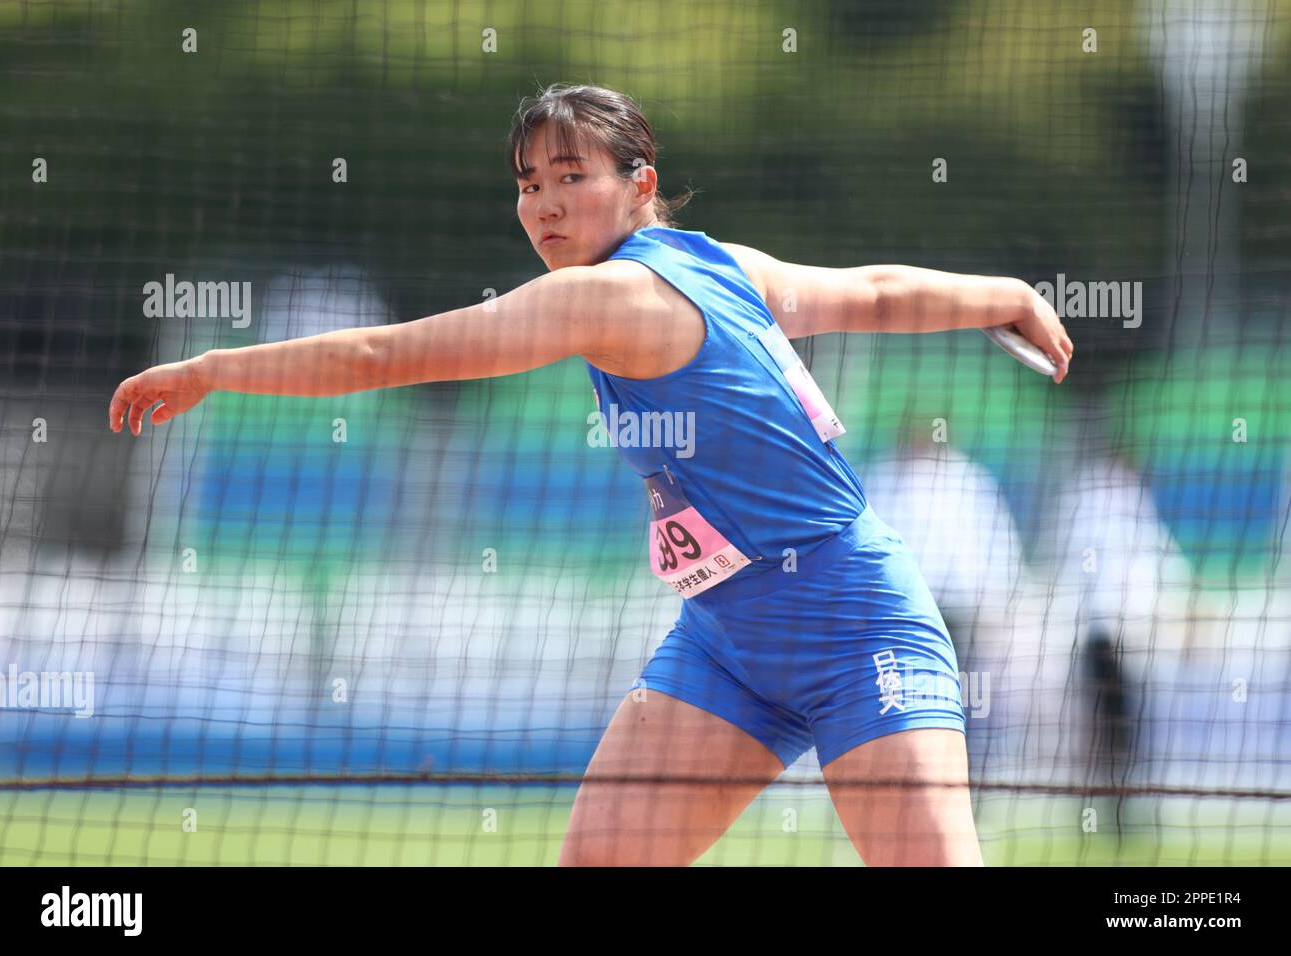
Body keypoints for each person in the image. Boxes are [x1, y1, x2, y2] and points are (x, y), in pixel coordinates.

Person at [108, 82, 1073, 866]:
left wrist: (215, 369)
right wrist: (1007, 294)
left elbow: (380, 359)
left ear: (639, 183)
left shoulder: (607, 297)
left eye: (571, 176)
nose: (543, 204)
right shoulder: (721, 264)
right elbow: (873, 292)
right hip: (725, 645)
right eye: (528, 183)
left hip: (852, 620)